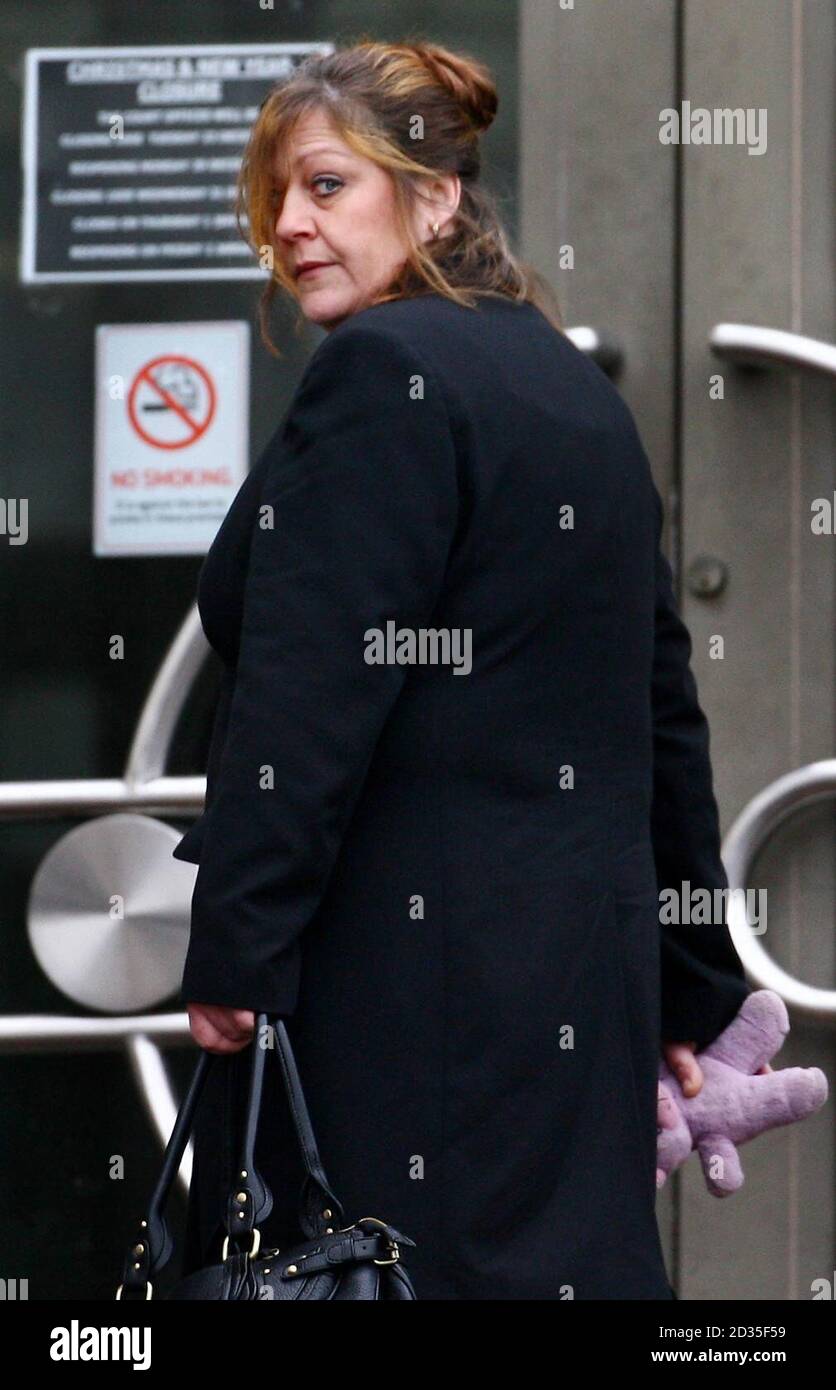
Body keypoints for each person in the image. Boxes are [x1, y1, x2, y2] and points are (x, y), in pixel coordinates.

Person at [172, 38, 753, 1300]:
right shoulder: (567, 386)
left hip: (407, 975)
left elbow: (308, 694)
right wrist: (686, 969)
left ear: (433, 196)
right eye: (276, 196)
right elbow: (660, 707)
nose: (289, 226)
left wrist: (236, 948)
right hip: (572, 984)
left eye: (326, 186)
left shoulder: (383, 374)